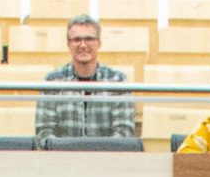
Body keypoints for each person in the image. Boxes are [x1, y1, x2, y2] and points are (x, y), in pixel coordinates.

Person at [35, 14, 137, 142]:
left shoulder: (118, 81)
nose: (83, 45)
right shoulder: (52, 82)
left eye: (89, 39)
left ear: (99, 43)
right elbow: (44, 134)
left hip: (106, 160)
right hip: (62, 160)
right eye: (77, 39)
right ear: (68, 44)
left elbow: (124, 134)